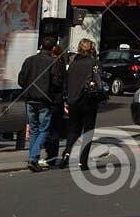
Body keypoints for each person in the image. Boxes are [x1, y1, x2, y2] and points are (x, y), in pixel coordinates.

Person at [17, 37, 64, 171]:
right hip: (44, 100)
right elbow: (56, 83)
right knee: (44, 129)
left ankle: (33, 158)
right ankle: (33, 158)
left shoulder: (29, 60)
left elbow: (21, 79)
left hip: (30, 98)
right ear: (53, 48)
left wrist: (29, 88)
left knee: (34, 130)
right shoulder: (52, 62)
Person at [60, 38, 104, 170]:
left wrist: (67, 98)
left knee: (73, 130)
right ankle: (82, 161)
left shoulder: (73, 63)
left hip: (73, 100)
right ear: (91, 49)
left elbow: (66, 82)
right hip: (88, 100)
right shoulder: (94, 63)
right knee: (88, 131)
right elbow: (99, 82)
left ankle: (67, 153)